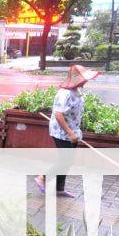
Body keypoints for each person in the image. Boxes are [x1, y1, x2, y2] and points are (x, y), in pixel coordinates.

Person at [34, 64, 100, 198]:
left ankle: (59, 189)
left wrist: (75, 132)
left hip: (73, 132)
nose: (86, 81)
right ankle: (42, 178)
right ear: (76, 79)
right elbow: (58, 115)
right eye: (84, 78)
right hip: (62, 132)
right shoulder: (65, 93)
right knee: (65, 160)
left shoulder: (77, 90)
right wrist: (70, 133)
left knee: (68, 161)